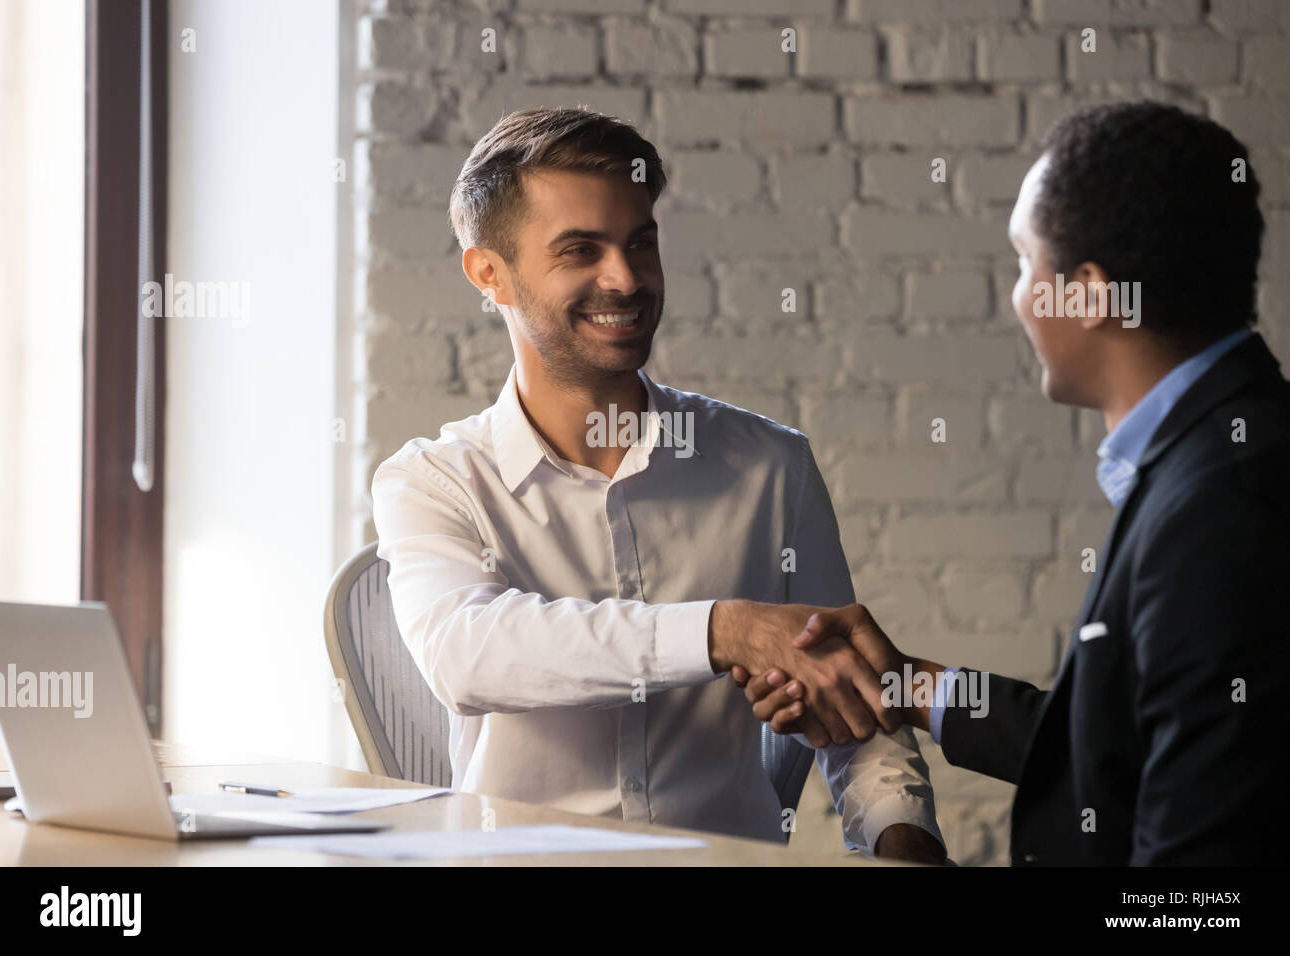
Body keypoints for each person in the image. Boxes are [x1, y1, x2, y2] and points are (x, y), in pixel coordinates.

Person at [372, 107, 945, 861]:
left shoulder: (771, 466)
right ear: (490, 273)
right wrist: (721, 629)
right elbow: (467, 654)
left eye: (639, 241)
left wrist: (906, 844)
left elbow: (856, 706)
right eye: (581, 250)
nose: (626, 278)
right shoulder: (436, 481)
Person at [736, 101, 1290, 865]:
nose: (1018, 297)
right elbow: (1117, 759)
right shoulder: (1220, 455)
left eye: (1025, 263)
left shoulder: (1225, 506)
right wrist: (911, 685)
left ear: (1088, 295)